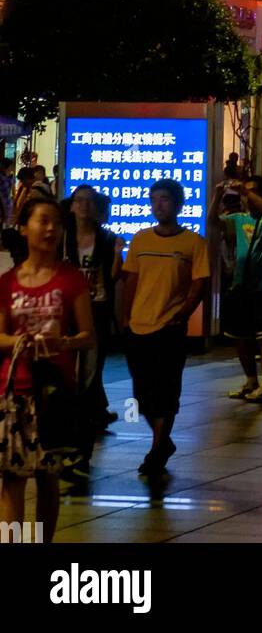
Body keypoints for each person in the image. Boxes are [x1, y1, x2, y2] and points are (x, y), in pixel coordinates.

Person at [0, 198, 95, 542]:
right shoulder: (7, 283)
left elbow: (88, 336)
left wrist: (62, 343)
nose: (51, 229)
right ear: (24, 229)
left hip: (54, 392)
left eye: (56, 222)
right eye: (43, 221)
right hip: (15, 391)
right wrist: (19, 341)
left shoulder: (71, 279)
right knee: (12, 479)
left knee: (47, 477)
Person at [121, 179, 209, 475]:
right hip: (138, 326)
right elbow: (131, 280)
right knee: (142, 393)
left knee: (167, 390)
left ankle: (157, 448)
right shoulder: (141, 240)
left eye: (165, 199)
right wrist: (125, 317)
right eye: (154, 200)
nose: (158, 205)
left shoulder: (193, 243)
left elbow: (199, 284)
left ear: (178, 204)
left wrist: (182, 315)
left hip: (169, 327)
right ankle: (163, 441)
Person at [62, 185, 123, 477]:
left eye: (89, 201)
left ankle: (81, 450)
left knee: (88, 379)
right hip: (64, 313)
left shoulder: (107, 239)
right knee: (64, 379)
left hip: (95, 311)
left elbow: (112, 277)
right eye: (79, 200)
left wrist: (118, 255)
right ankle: (66, 444)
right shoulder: (62, 239)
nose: (84, 205)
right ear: (72, 205)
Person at [208, 176, 262, 404]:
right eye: (244, 193)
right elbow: (212, 221)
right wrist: (217, 195)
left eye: (252, 192)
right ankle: (251, 381)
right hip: (241, 286)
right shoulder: (238, 219)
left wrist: (245, 191)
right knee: (240, 337)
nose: (246, 197)